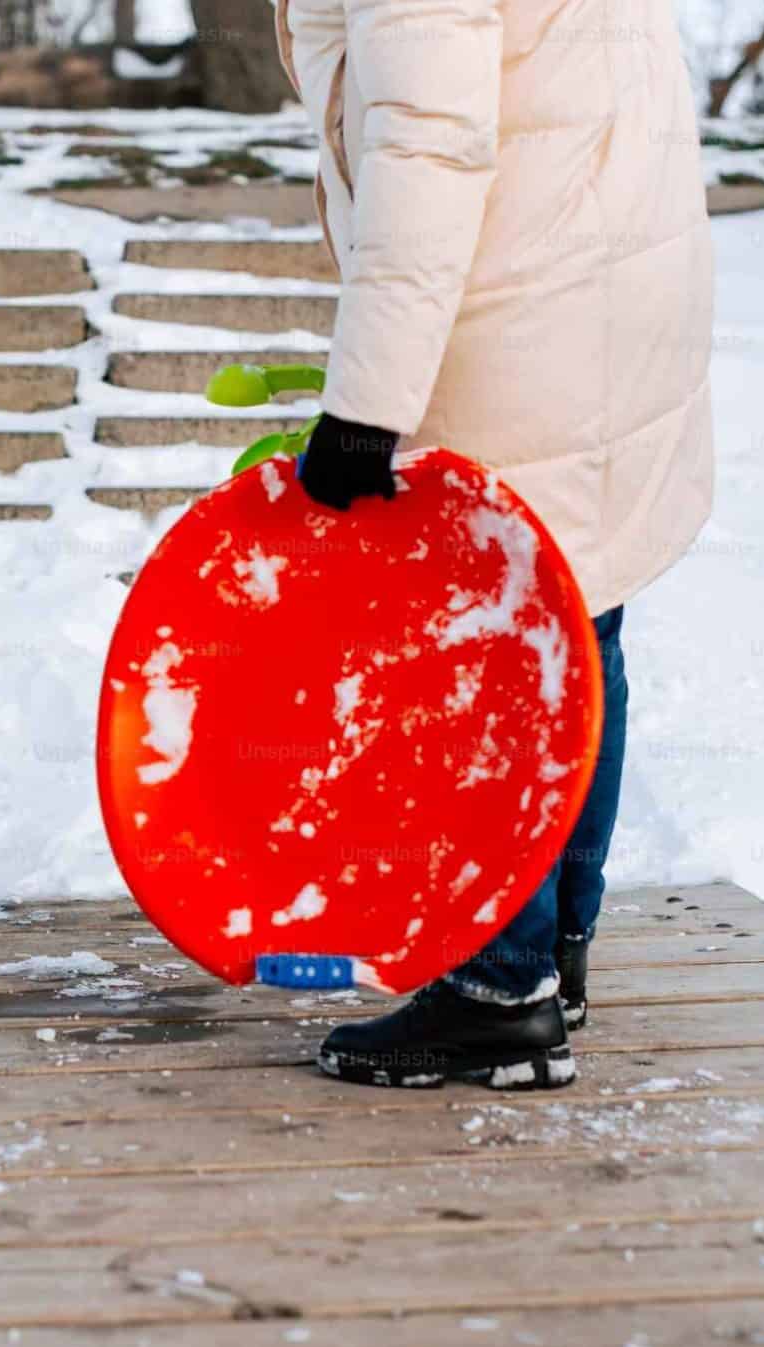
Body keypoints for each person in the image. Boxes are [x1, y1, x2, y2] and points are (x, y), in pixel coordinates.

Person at [273, 0, 714, 1087]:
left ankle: (491, 987)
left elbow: (429, 138)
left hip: (523, 305)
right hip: (599, 281)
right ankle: (547, 956)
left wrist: (365, 405)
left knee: (481, 651)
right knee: (571, 624)